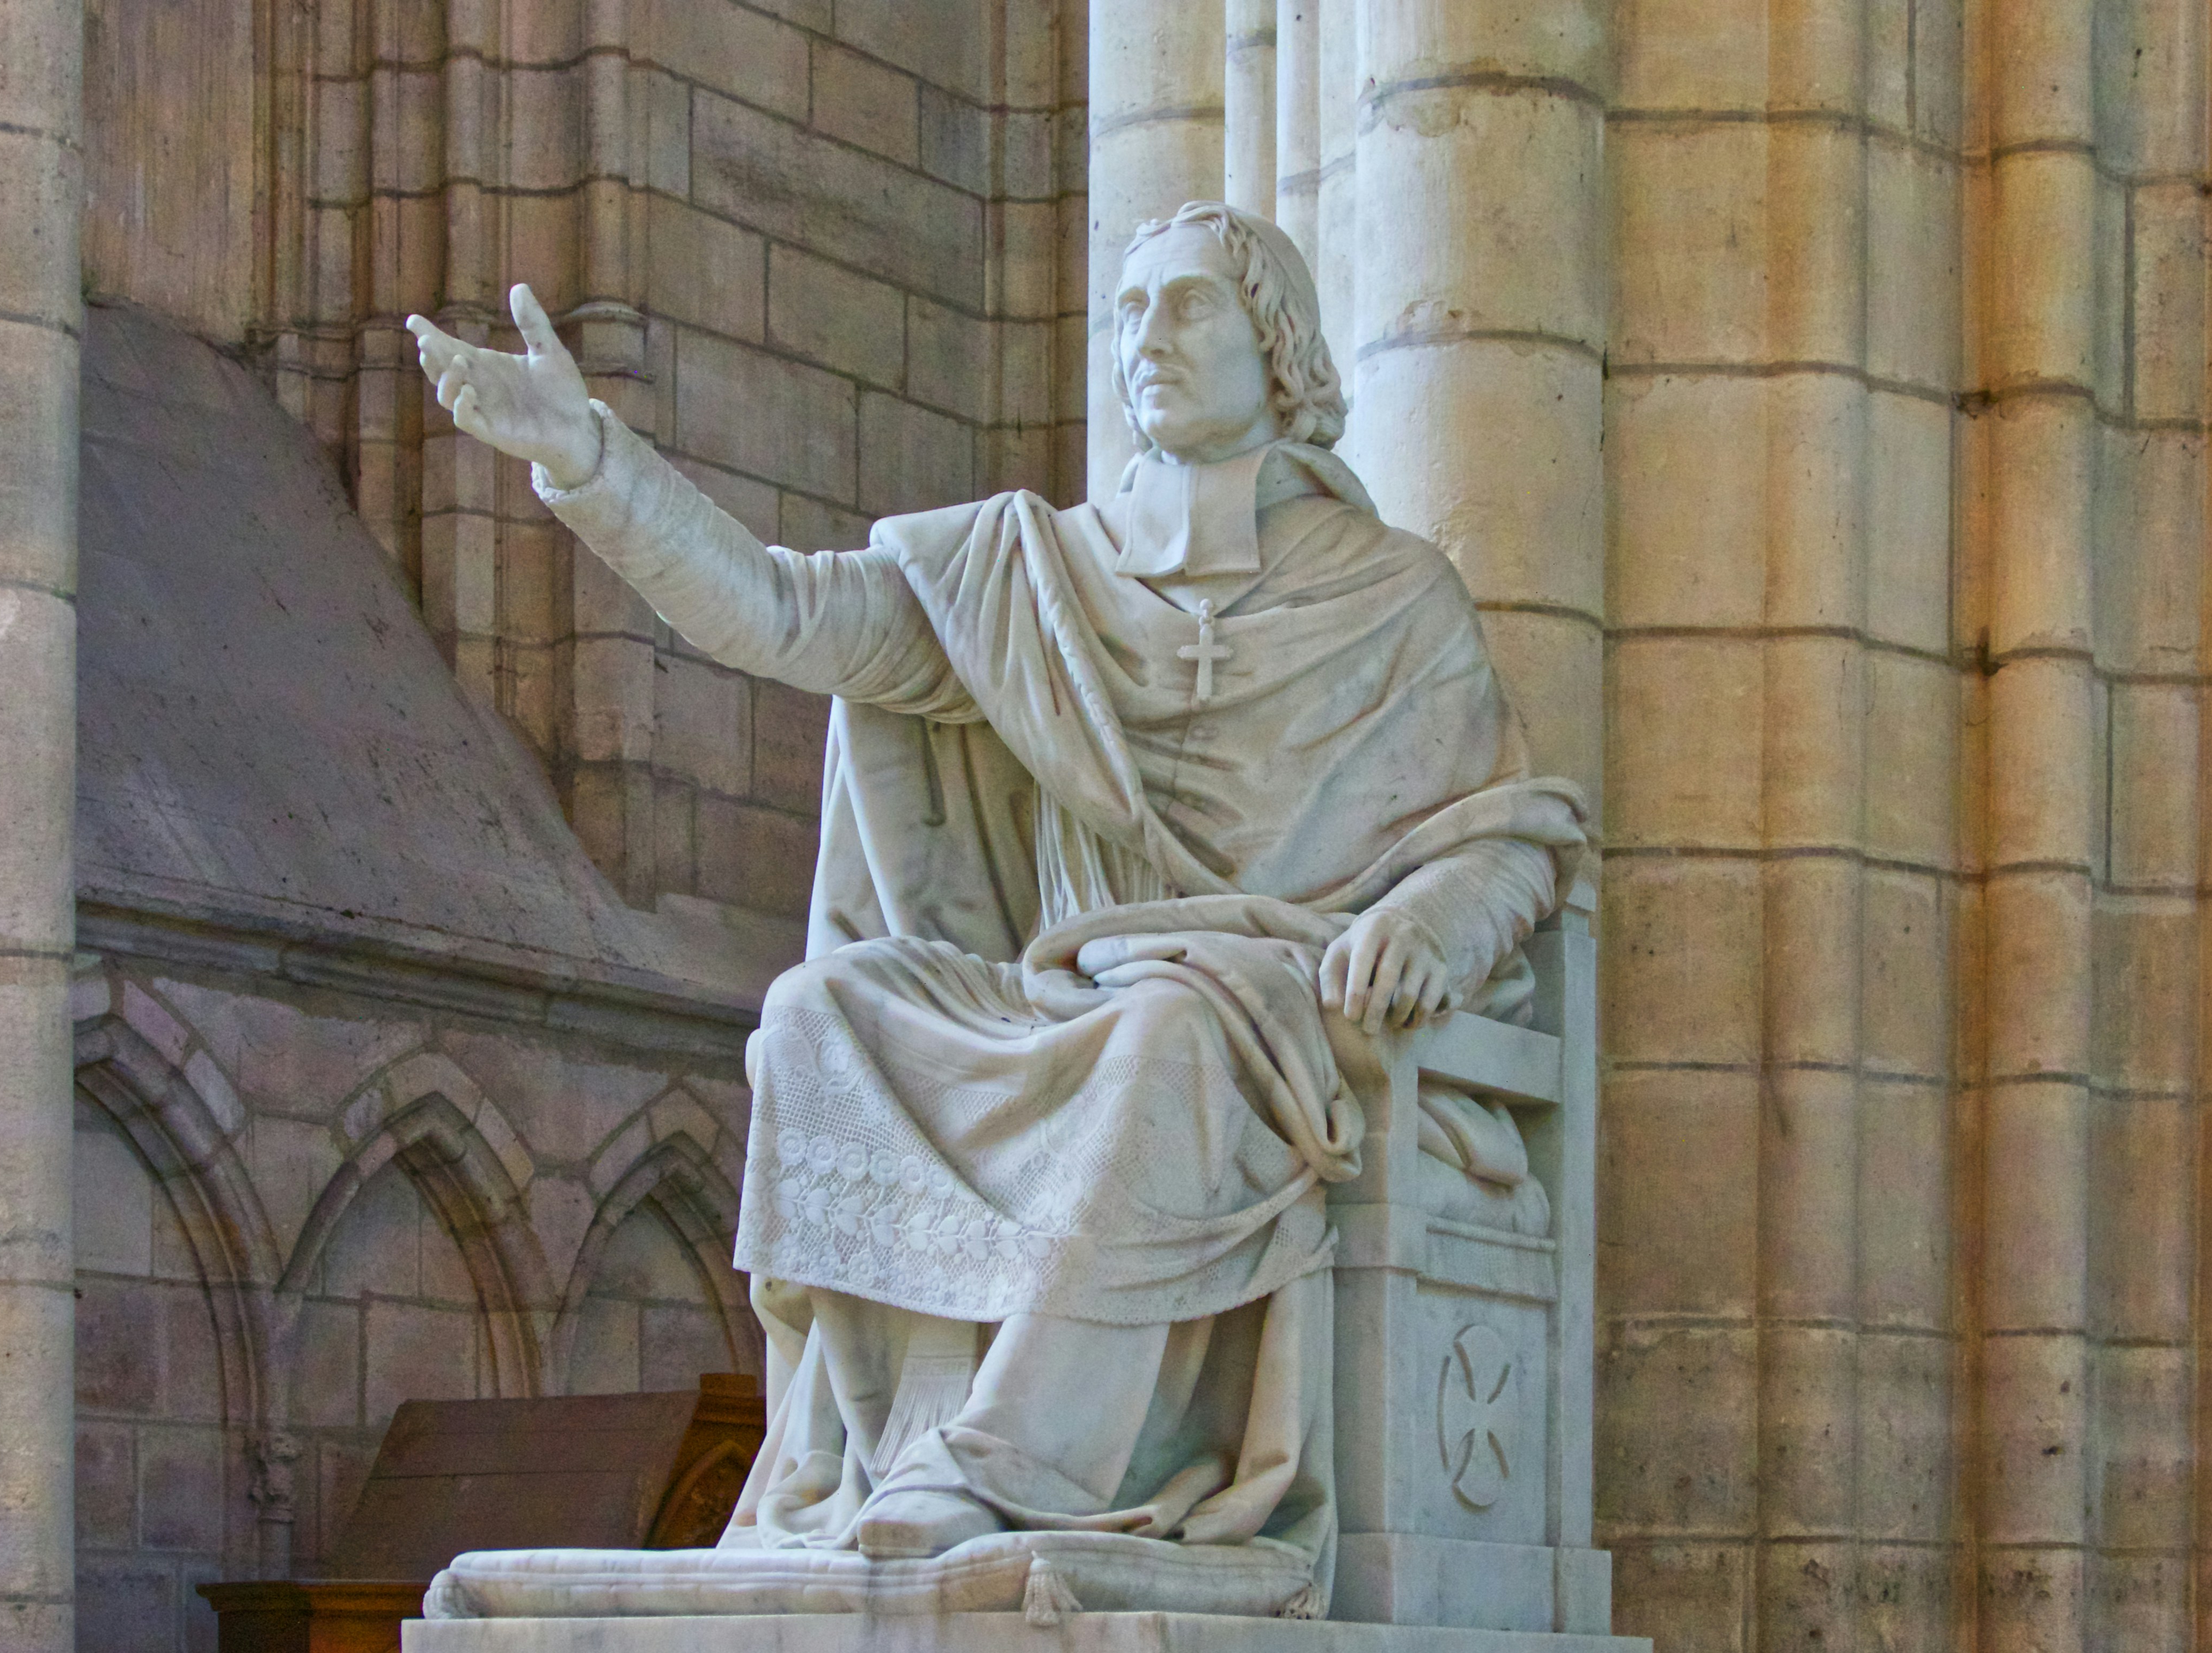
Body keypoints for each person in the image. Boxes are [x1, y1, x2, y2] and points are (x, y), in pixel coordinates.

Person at [406, 203, 1588, 1595]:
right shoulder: (1036, 577)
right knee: (821, 1011)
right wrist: (591, 462)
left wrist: (1431, 919)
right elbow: (784, 617)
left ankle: (1003, 1469)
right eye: (1129, 310)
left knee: (1168, 1032)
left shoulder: (1393, 600)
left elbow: (1507, 836)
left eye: (1188, 305)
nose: (1146, 336)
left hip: (1266, 992)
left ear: (1280, 352)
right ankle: (869, 1456)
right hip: (1071, 985)